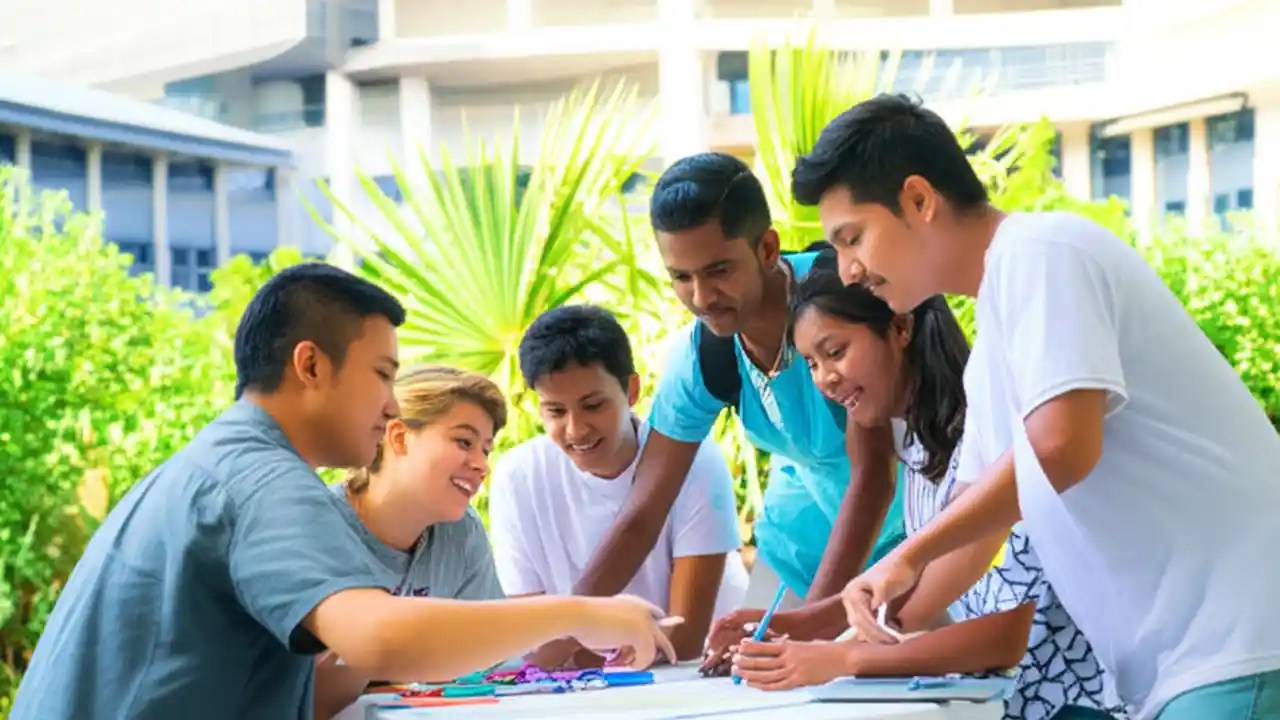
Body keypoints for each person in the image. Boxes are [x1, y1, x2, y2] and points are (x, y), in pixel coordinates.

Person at [11, 263, 675, 720]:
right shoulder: (262, 479)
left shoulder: (221, 460)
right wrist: (585, 612)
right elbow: (377, 639)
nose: (391, 406)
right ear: (310, 365)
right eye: (383, 373)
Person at [797, 94, 1280, 720]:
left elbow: (1062, 446)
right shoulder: (997, 337)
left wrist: (903, 557)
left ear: (919, 200)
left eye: (851, 237)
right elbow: (969, 537)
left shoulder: (1042, 254)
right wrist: (832, 631)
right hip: (1189, 666)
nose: (849, 269)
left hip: (1239, 647)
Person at [733, 269, 1125, 720]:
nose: (826, 379)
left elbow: (1004, 634)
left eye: (835, 352)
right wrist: (801, 627)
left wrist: (844, 660)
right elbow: (924, 602)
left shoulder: (987, 433)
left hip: (1076, 706)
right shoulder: (917, 444)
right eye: (812, 364)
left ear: (900, 328)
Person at [559, 152, 908, 655]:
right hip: (797, 548)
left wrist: (812, 625)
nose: (701, 297)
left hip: (903, 545)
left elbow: (874, 476)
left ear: (767, 248)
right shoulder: (704, 355)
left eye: (718, 269)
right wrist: (554, 627)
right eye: (681, 277)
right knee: (755, 686)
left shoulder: (838, 296)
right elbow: (641, 516)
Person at [488, 305, 748, 668]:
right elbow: (533, 639)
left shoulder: (694, 460)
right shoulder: (517, 477)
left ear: (631, 390)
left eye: (593, 406)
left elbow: (686, 637)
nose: (576, 430)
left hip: (691, 677)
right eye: (556, 412)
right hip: (582, 688)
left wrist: (573, 652)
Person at [314, 365, 510, 719]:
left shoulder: (462, 532)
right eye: (464, 442)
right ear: (399, 437)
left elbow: (489, 660)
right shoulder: (312, 526)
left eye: (486, 449)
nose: (482, 465)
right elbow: (299, 696)